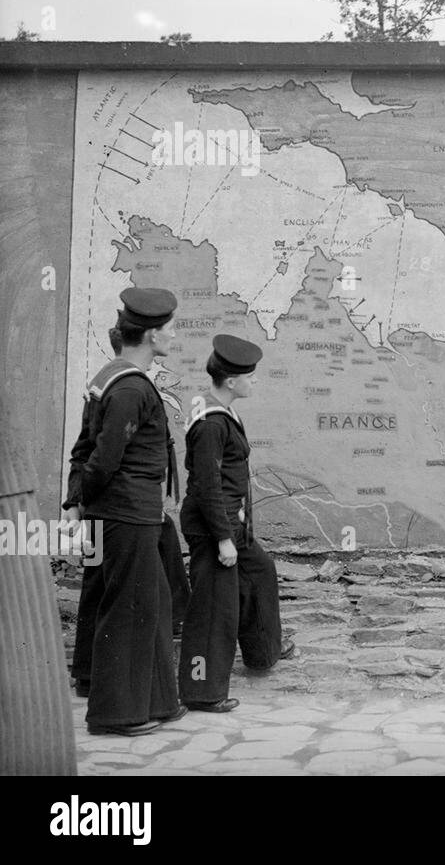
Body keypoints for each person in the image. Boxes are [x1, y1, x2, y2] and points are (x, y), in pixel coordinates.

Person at [60, 288, 186, 735]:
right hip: (127, 513)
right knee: (130, 606)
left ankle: (148, 698)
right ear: (151, 335)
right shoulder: (132, 386)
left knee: (145, 598)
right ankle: (116, 714)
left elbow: (82, 448)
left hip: (118, 512)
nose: (174, 335)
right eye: (169, 329)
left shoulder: (108, 377)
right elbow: (105, 458)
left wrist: (76, 502)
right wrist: (83, 501)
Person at [178, 334, 293, 713]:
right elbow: (207, 486)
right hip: (214, 524)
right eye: (249, 375)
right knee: (215, 608)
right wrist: (224, 539)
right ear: (230, 381)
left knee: (260, 571)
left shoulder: (221, 411)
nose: (254, 380)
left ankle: (263, 652)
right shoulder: (212, 423)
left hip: (229, 521)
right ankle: (202, 691)